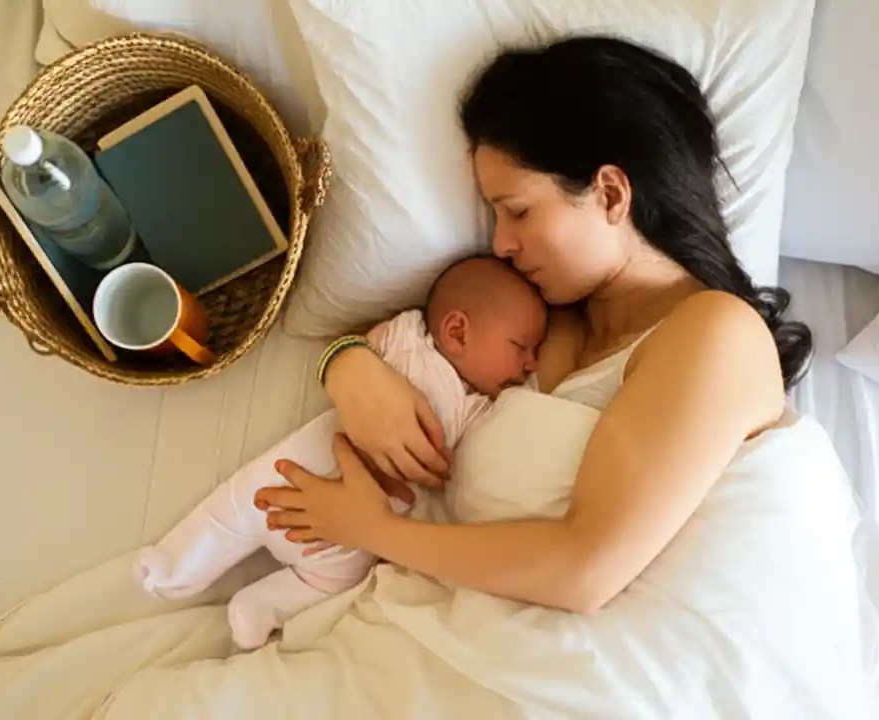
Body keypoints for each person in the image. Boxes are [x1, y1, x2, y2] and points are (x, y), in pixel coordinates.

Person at [254, 35, 813, 613]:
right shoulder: (542, 323)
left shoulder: (719, 334)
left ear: (611, 193)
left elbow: (585, 571)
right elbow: (421, 341)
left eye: (517, 210)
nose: (500, 244)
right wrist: (347, 364)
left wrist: (370, 530)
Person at [136, 256, 547, 647]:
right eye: (522, 346)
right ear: (457, 331)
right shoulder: (410, 339)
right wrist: (353, 356)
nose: (530, 363)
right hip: (304, 470)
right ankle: (176, 565)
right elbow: (354, 348)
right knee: (240, 505)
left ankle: (260, 606)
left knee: (337, 579)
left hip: (351, 535)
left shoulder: (480, 409)